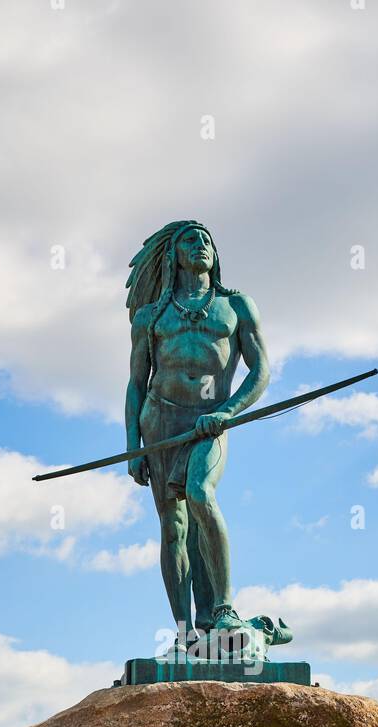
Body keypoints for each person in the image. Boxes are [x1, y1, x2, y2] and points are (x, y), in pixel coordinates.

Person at [124, 221, 270, 646]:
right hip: (161, 422)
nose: (202, 245)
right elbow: (136, 384)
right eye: (191, 239)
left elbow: (260, 371)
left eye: (207, 239)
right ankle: (187, 632)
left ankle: (223, 610)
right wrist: (133, 446)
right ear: (173, 255)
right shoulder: (152, 316)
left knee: (201, 494)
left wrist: (227, 411)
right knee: (174, 527)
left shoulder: (236, 305)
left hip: (208, 420)